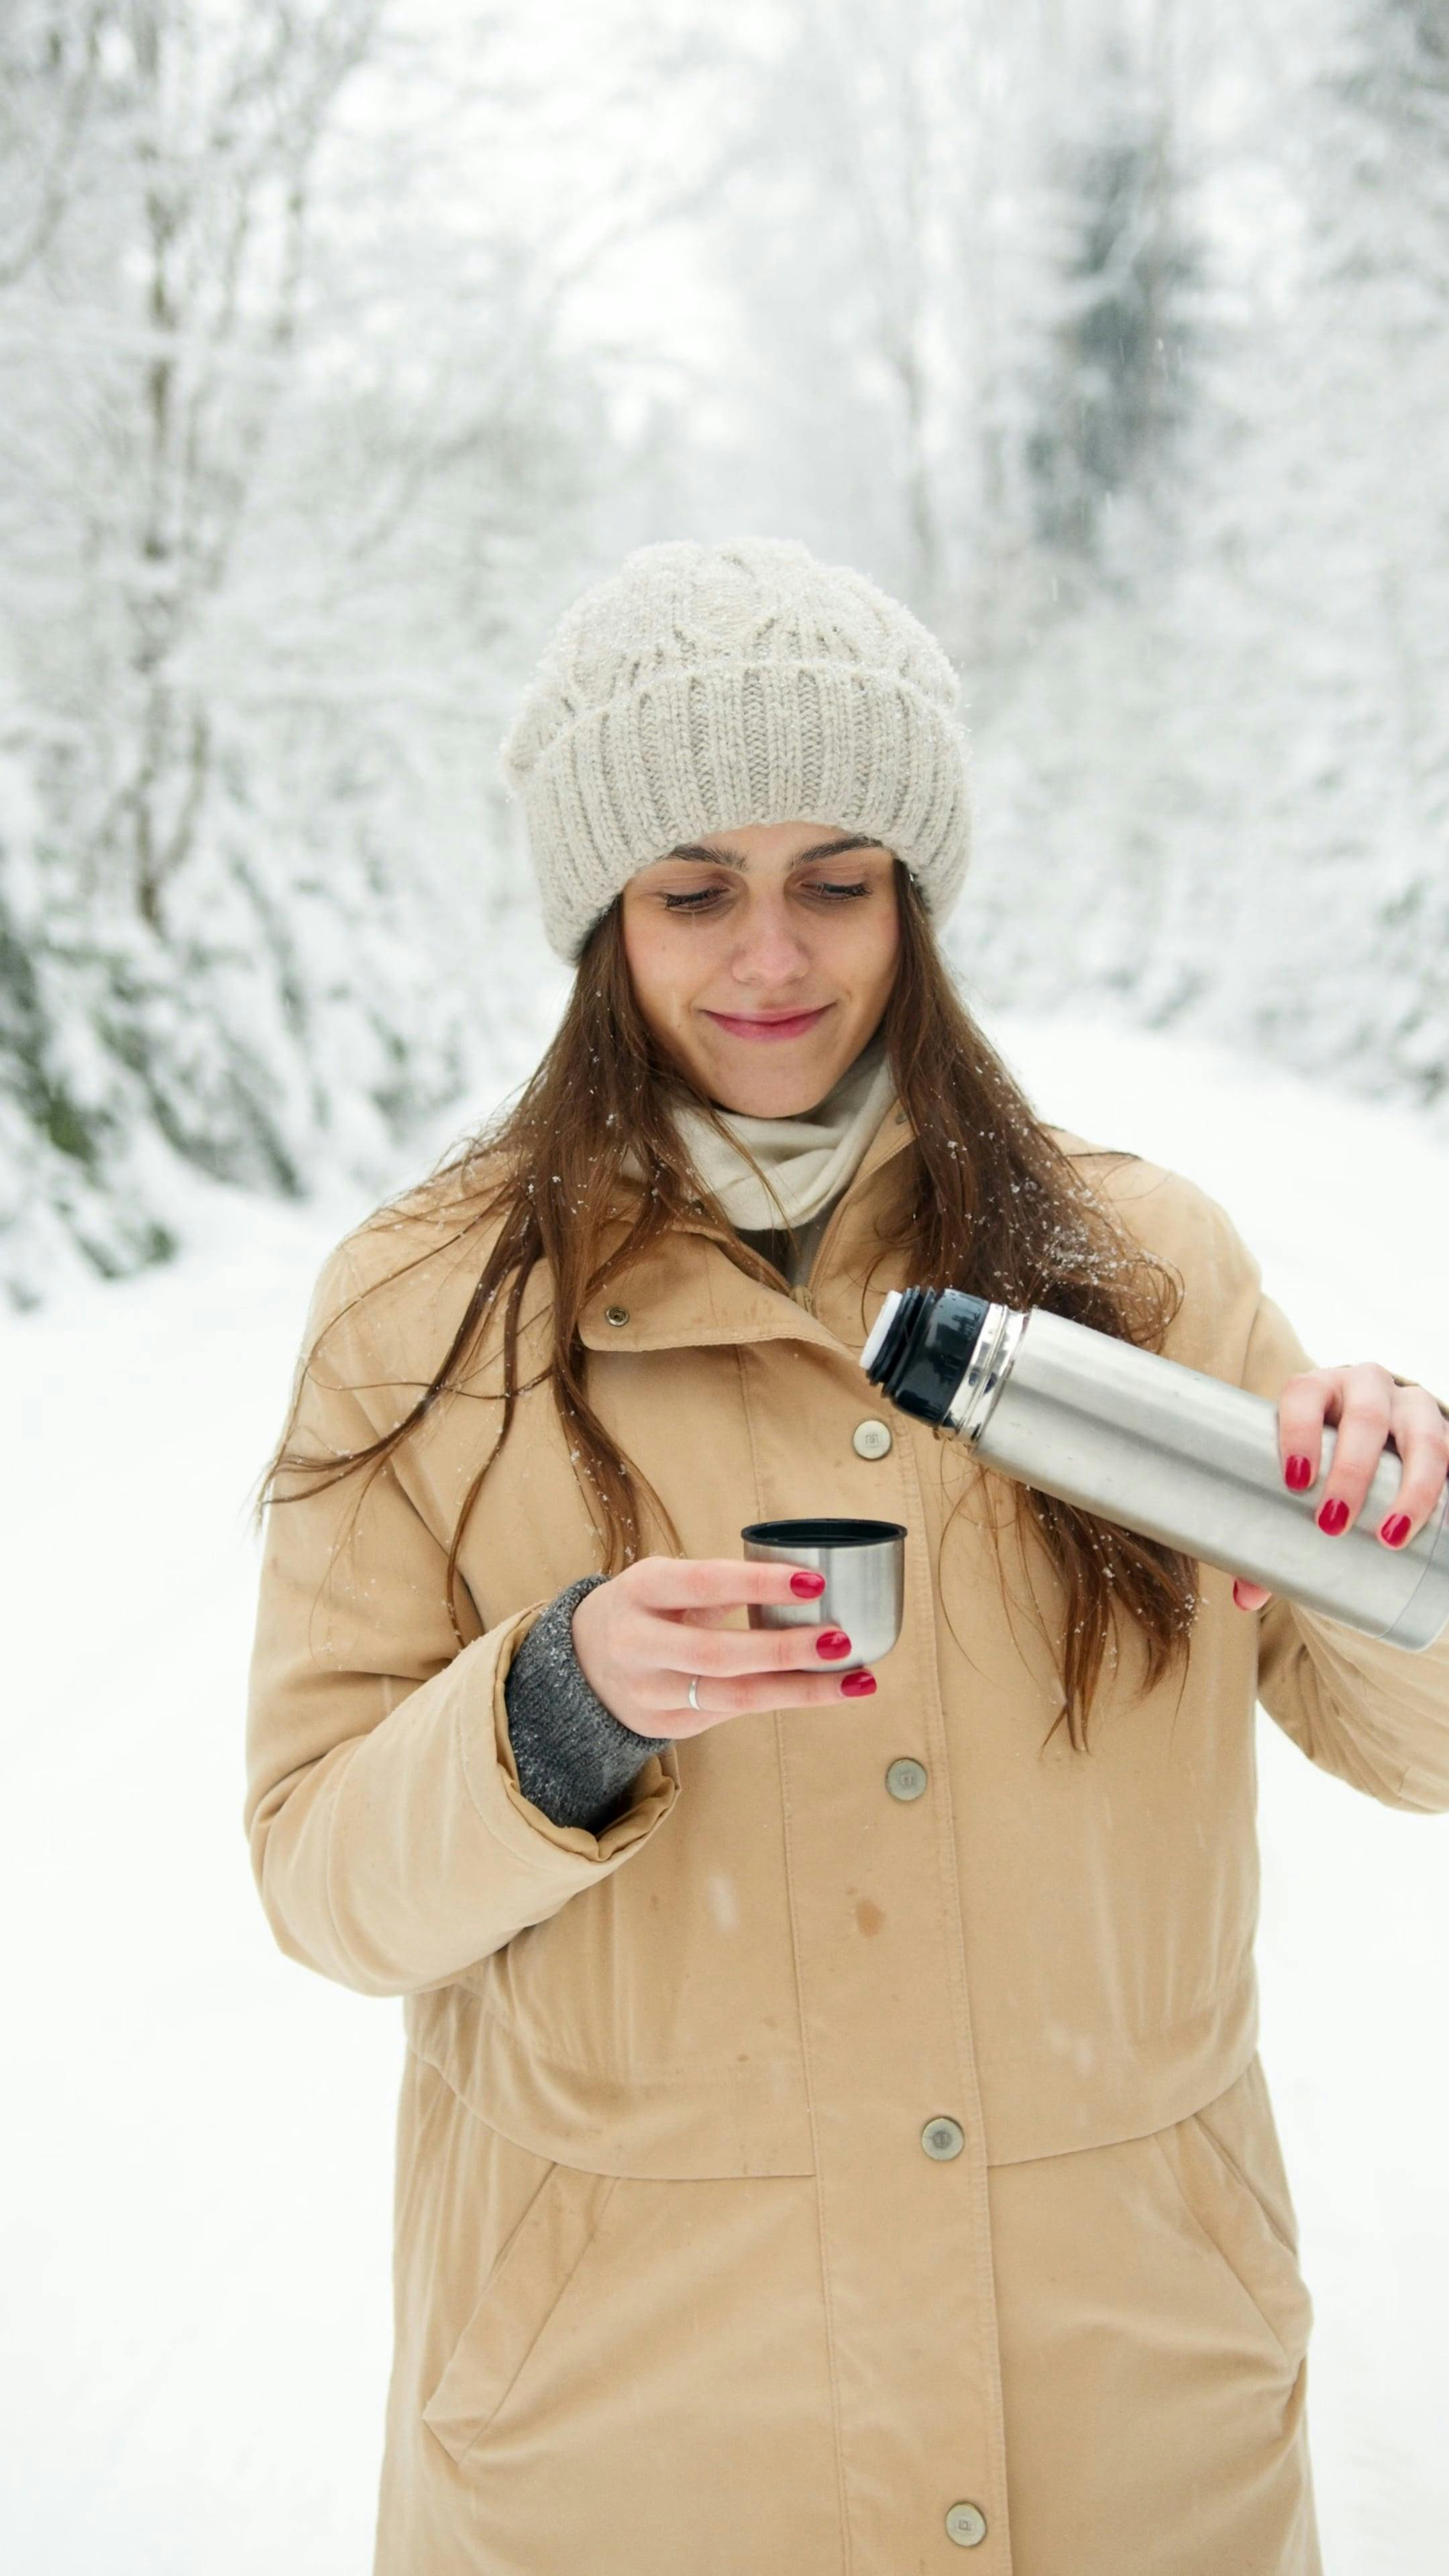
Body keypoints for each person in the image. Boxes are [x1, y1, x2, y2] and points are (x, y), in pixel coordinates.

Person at [244, 537, 1449, 2576]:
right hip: (631, 2439)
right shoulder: (425, 1308)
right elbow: (321, 1877)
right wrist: (560, 1707)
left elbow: (1417, 1741)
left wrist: (1398, 1532)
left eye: (838, 880)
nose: (771, 958)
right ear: (599, 916)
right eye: (694, 889)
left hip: (1129, 2417)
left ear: (917, 897)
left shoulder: (1141, 1277)